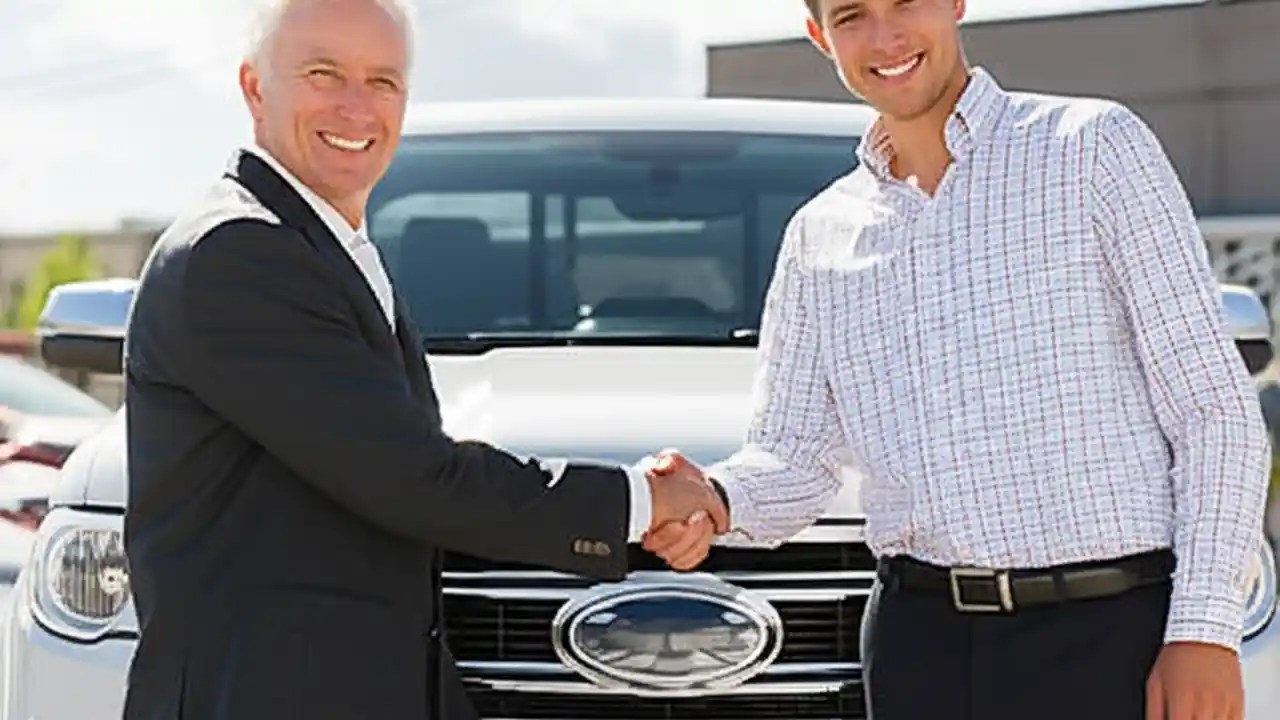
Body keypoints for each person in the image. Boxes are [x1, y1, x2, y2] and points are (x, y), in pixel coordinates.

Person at [639, 1, 1272, 718]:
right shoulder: (820, 236)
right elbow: (795, 455)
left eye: (906, 2)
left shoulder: (1094, 149)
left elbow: (1212, 411)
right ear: (820, 37)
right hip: (919, 649)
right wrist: (714, 500)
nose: (886, 37)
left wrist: (1204, 631)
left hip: (1110, 637)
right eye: (852, 15)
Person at [119, 1, 726, 718]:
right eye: (323, 74)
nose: (356, 107)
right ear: (255, 87)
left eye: (382, 81)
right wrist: (643, 501)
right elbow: (411, 475)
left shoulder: (327, 247)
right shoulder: (238, 253)